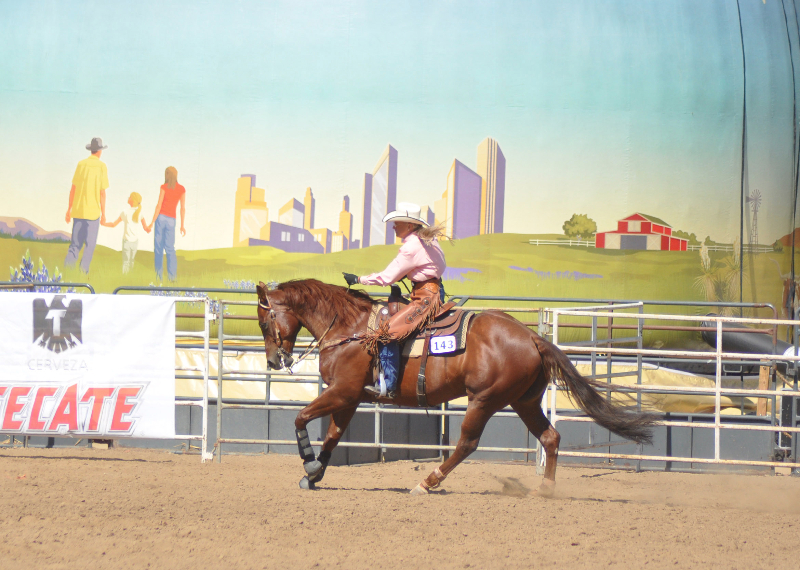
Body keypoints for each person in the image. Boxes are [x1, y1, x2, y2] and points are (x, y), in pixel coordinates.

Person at [343, 202, 448, 400]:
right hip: (431, 291)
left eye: (397, 222)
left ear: (409, 225)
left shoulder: (411, 247)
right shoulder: (428, 239)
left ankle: (388, 385)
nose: (393, 226)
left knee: (387, 332)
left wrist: (358, 279)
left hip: (425, 298)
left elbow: (387, 278)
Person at [65, 137, 109, 274]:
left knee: (75, 245)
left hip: (78, 211)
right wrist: (104, 214)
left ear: (91, 150)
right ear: (100, 151)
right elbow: (102, 193)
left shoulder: (81, 164)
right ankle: (83, 273)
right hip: (93, 213)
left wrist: (69, 209)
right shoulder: (102, 166)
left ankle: (67, 273)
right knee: (90, 246)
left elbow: (73, 189)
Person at [146, 166, 186, 281]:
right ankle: (172, 278)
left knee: (158, 248)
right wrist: (182, 225)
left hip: (161, 218)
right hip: (171, 220)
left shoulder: (164, 187)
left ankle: (158, 277)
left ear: (167, 175)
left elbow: (159, 205)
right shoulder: (181, 189)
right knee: (170, 248)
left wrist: (152, 222)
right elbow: (182, 208)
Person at [102, 192, 150, 273]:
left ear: (133, 200)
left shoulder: (125, 212)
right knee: (132, 261)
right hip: (135, 241)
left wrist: (104, 224)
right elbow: (146, 228)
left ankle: (125, 277)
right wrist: (150, 228)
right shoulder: (140, 213)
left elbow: (113, 224)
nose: (128, 198)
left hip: (126, 241)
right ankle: (131, 277)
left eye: (130, 197)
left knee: (126, 262)